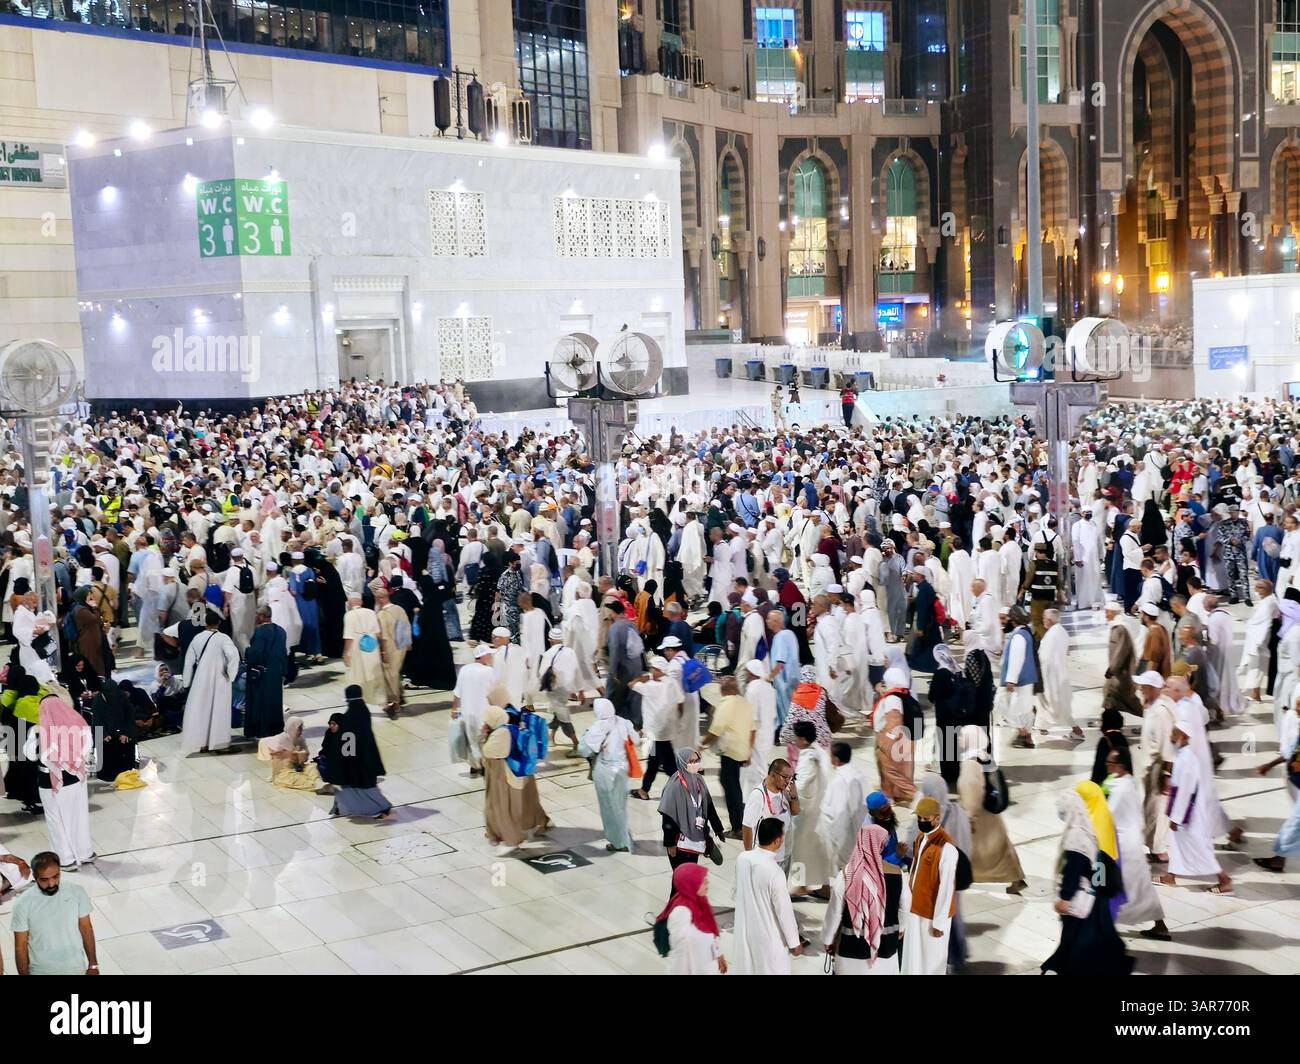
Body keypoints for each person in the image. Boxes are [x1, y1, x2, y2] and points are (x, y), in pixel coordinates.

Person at [1041, 783, 1132, 975]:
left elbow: (1076, 865)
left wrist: (1066, 896)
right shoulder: (1092, 822)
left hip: (1086, 896)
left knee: (1079, 940)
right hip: (1096, 893)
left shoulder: (1078, 833)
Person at [1158, 691, 1234, 894]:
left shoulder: (1187, 759)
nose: (1172, 735)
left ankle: (1224, 880)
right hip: (1186, 812)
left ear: (1184, 736)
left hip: (1189, 813)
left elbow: (1185, 792)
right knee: (1177, 843)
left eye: (1175, 732)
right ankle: (1170, 876)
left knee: (1200, 848)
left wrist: (1176, 816)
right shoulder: (1184, 754)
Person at [1102, 740, 1171, 940]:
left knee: (1118, 886)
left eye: (1111, 763)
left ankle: (1102, 923)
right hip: (1130, 842)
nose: (1108, 766)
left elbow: (1109, 816)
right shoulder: (1129, 782)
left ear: (1121, 765)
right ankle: (1159, 925)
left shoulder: (1122, 788)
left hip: (1123, 846)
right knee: (1140, 888)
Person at [25, 695, 95, 869]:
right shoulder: (79, 725)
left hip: (50, 781)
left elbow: (30, 755)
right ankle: (84, 852)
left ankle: (65, 859)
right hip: (76, 779)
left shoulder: (38, 731)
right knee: (78, 816)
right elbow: (87, 750)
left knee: (56, 819)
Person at [956, 725, 1026, 894]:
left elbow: (970, 788)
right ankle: (1015, 878)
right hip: (990, 814)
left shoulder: (970, 762)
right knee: (1001, 848)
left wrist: (970, 817)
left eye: (962, 736)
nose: (959, 739)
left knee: (974, 853)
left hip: (979, 817)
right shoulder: (984, 756)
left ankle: (960, 878)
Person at [732, 817, 803, 974]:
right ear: (777, 841)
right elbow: (784, 911)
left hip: (745, 935)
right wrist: (794, 942)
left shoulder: (742, 858)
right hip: (769, 940)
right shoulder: (774, 872)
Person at [11, 852, 98, 975]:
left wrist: (93, 965)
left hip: (76, 969)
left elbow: (86, 929)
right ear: (35, 876)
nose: (51, 884)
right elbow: (20, 946)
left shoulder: (76, 892)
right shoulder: (23, 904)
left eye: (56, 877)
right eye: (44, 880)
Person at [900, 796, 958, 975]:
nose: (922, 822)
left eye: (926, 819)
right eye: (919, 819)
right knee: (913, 958)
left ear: (937, 818)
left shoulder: (946, 848)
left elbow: (947, 887)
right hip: (916, 908)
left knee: (930, 960)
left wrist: (939, 923)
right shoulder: (921, 837)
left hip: (932, 915)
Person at [699, 674, 756, 837]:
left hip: (730, 752)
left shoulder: (726, 705)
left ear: (724, 690)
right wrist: (749, 752)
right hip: (742, 751)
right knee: (733, 785)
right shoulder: (745, 703)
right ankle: (740, 822)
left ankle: (738, 827)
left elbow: (715, 731)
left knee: (731, 788)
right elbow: (753, 730)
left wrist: (701, 744)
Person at [576, 698, 634, 853]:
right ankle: (624, 838)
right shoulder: (623, 722)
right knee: (620, 805)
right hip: (623, 768)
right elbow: (636, 739)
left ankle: (618, 842)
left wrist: (584, 736)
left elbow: (584, 750)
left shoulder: (599, 726)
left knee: (609, 807)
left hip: (605, 771)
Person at [180, 607, 240, 755]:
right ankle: (219, 743)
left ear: (204, 623)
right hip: (219, 678)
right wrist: (230, 674)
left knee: (203, 710)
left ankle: (203, 743)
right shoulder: (223, 638)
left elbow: (188, 662)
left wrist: (186, 682)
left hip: (201, 679)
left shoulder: (197, 638)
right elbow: (233, 655)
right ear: (218, 623)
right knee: (219, 711)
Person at [329, 685, 394, 820]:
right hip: (367, 755)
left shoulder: (350, 716)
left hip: (355, 758)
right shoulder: (363, 711)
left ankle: (381, 807)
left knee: (358, 787)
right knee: (367, 785)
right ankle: (381, 807)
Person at [658, 748, 724, 879]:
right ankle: (677, 900)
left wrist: (718, 828)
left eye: (696, 761)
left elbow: (708, 805)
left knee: (688, 880)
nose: (694, 764)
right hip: (679, 841)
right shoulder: (674, 786)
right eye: (691, 761)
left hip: (695, 837)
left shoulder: (699, 780)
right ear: (682, 763)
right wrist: (670, 843)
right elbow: (668, 816)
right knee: (682, 881)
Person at [658, 864, 726, 974]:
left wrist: (719, 954)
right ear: (691, 884)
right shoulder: (681, 912)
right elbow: (679, 954)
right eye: (702, 880)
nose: (707, 883)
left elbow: (709, 931)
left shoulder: (700, 903)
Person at [815, 740, 869, 875]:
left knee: (845, 867)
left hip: (845, 834)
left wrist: (835, 841)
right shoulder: (858, 773)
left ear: (836, 760)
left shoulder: (840, 781)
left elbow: (839, 814)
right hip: (858, 828)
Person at [243, 605, 288, 741]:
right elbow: (283, 653)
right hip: (276, 672)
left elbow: (255, 653)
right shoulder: (281, 631)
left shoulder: (260, 632)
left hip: (262, 673)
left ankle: (261, 730)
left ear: (262, 616)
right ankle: (275, 728)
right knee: (274, 701)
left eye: (257, 614)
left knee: (260, 702)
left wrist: (247, 653)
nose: (256, 616)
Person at [1037, 608, 1083, 738]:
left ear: (1049, 620)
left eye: (1044, 619)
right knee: (1049, 703)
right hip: (1060, 673)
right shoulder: (1061, 631)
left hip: (1052, 675)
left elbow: (1045, 658)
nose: (1043, 621)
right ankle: (1042, 727)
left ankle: (1076, 729)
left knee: (1053, 703)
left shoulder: (1052, 634)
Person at [872, 666, 916, 803]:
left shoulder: (893, 698)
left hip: (888, 737)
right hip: (904, 738)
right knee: (895, 769)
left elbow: (894, 721)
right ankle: (890, 794)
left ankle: (914, 794)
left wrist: (887, 742)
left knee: (890, 770)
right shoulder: (904, 693)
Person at [452, 643, 496, 777]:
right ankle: (483, 766)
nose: (490, 657)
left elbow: (457, 692)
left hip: (467, 712)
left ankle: (474, 766)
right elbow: (492, 693)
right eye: (489, 655)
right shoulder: (489, 671)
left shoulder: (464, 669)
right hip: (483, 713)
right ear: (483, 656)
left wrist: (454, 709)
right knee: (484, 740)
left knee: (471, 741)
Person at [88, 678, 138, 784]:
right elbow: (96, 720)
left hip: (122, 728)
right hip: (103, 730)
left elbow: (129, 715)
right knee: (106, 744)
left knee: (128, 740)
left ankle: (126, 771)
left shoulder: (121, 696)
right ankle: (108, 775)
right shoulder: (98, 701)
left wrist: (125, 732)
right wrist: (104, 734)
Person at [342, 595, 385, 710]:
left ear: (350, 603)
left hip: (357, 646)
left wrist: (346, 653)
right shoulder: (371, 612)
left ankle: (359, 699)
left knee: (357, 673)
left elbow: (348, 636)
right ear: (360, 602)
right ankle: (380, 700)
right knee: (374, 672)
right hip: (372, 646)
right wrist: (382, 648)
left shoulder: (349, 615)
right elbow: (378, 632)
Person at [257, 716, 323, 791]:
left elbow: (306, 753)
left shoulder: (300, 738)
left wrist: (300, 753)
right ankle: (316, 785)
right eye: (299, 728)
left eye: (301, 728)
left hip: (298, 767)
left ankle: (317, 781)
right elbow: (264, 741)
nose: (301, 731)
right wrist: (297, 753)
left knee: (313, 767)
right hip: (284, 772)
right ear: (292, 728)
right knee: (296, 779)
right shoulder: (283, 738)